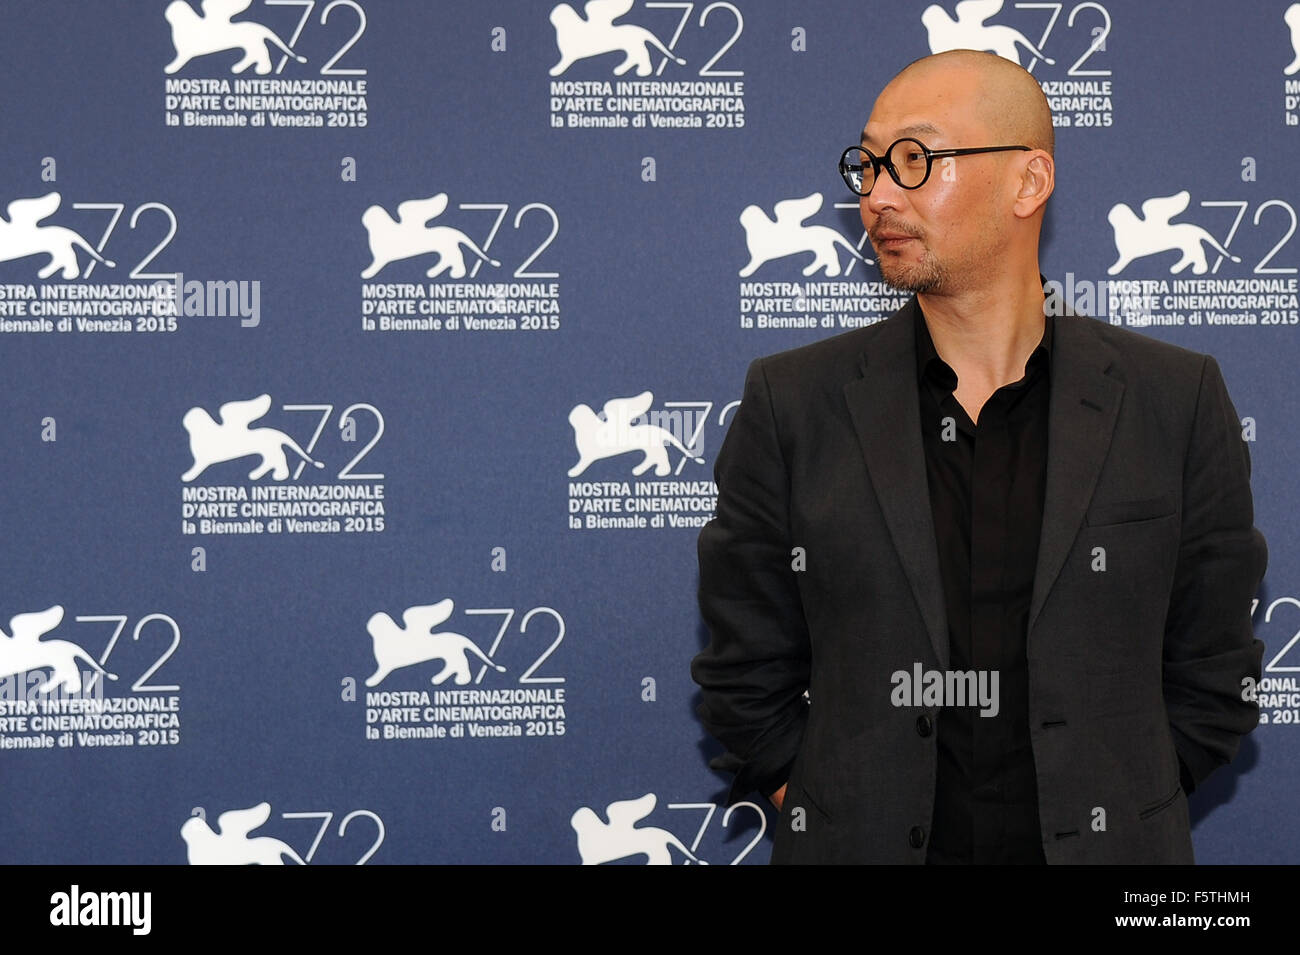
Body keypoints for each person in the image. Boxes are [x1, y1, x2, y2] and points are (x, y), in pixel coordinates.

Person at [691, 50, 1266, 864]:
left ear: (1029, 182)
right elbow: (744, 670)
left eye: (915, 160)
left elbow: (1215, 671)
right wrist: (836, 805)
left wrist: (1122, 797)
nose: (876, 195)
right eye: (868, 162)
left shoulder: (1174, 400)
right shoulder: (793, 403)